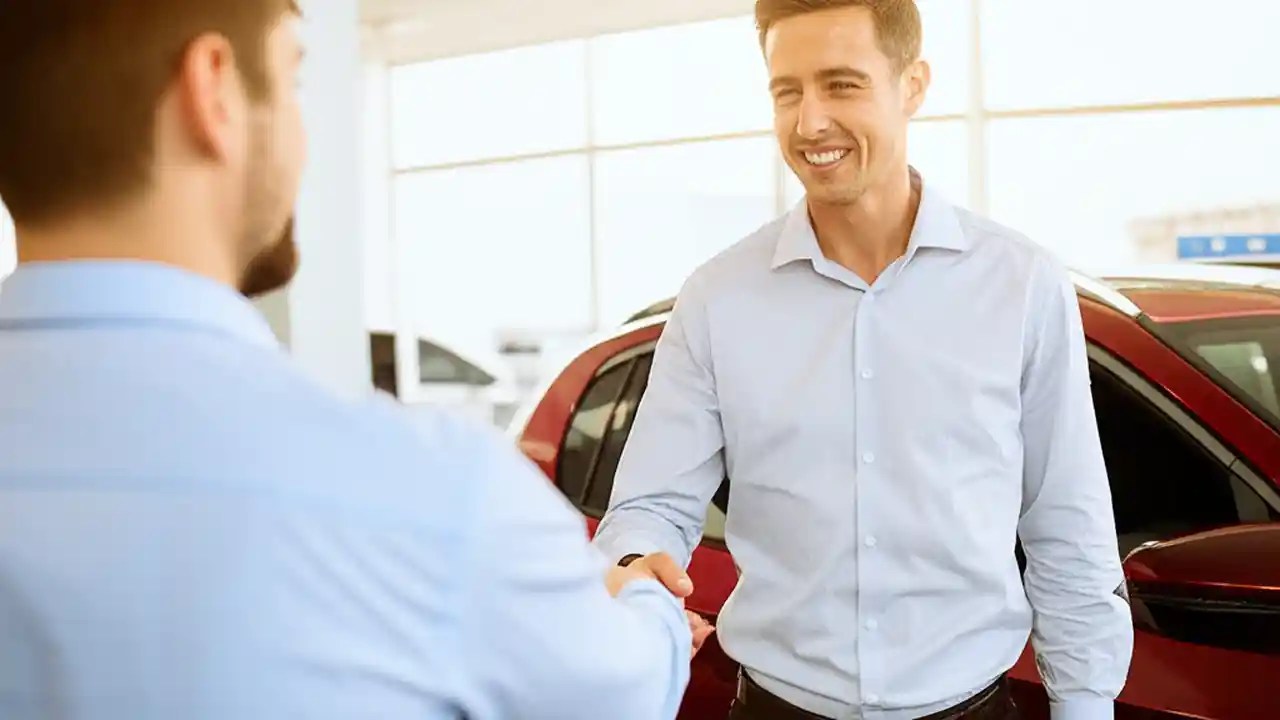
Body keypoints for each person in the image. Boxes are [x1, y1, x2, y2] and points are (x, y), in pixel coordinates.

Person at [0, 2, 692, 718]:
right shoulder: (435, 498)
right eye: (293, 79)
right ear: (212, 92)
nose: (306, 138)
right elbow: (627, 693)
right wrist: (643, 596)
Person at [592, 1, 1134, 719]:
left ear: (912, 85)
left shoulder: (1022, 285)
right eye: (788, 91)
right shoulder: (718, 298)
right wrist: (635, 566)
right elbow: (649, 508)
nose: (809, 121)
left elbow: (1067, 530)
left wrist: (1087, 706)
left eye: (841, 84)